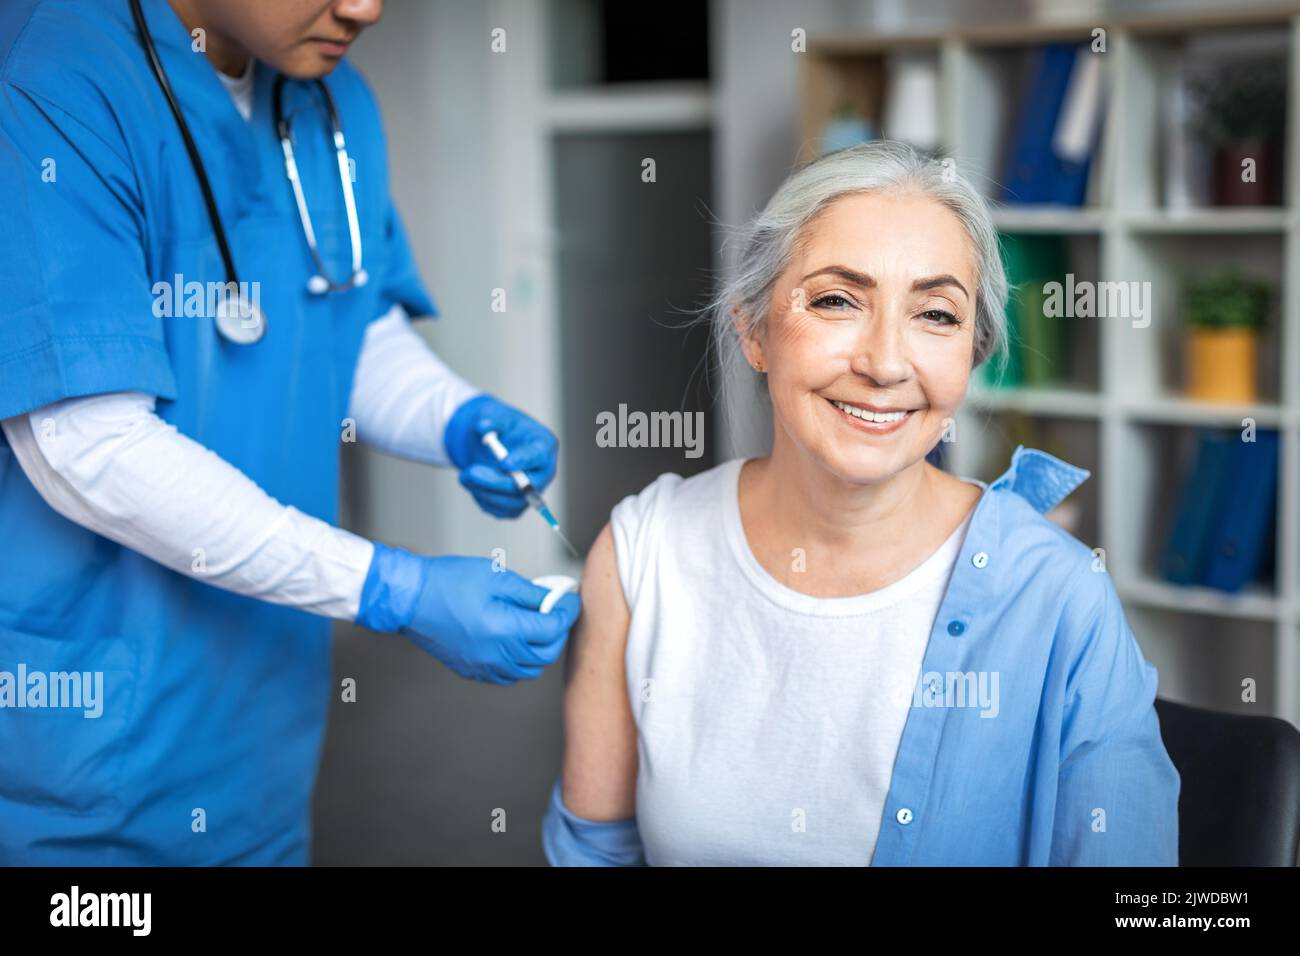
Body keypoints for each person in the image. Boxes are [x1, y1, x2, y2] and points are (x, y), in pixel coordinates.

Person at [0, 0, 578, 865]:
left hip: (262, 740)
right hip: (84, 757)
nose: (365, 7)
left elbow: (351, 324)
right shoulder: (51, 81)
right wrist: (391, 586)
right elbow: (89, 444)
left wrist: (454, 419)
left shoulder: (331, 101)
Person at [543, 140, 1179, 866]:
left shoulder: (1060, 598)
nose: (884, 363)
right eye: (837, 300)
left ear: (973, 351)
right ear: (753, 328)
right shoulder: (641, 554)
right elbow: (595, 853)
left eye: (935, 315)